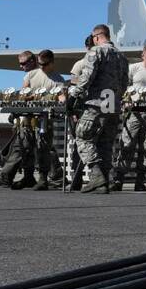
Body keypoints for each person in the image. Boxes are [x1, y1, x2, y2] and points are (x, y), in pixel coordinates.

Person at [68, 24, 128, 193]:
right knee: (105, 143)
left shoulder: (96, 51)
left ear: (96, 37)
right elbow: (124, 84)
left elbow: (87, 76)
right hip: (113, 104)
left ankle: (96, 175)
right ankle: (104, 181)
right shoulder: (122, 57)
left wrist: (75, 95)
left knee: (83, 136)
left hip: (97, 102)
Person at [113, 44, 146, 192]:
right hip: (134, 113)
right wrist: (124, 102)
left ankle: (140, 181)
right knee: (127, 144)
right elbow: (123, 87)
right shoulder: (133, 69)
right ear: (143, 55)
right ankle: (119, 178)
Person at [0, 50, 40, 189]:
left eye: (23, 63)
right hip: (36, 117)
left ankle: (6, 176)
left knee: (20, 146)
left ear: (32, 61)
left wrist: (15, 109)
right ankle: (29, 177)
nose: (21, 67)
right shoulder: (42, 73)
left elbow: (23, 96)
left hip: (30, 118)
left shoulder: (31, 75)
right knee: (29, 148)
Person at [24, 49, 66, 191]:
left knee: (44, 148)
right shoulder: (31, 74)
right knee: (26, 147)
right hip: (29, 117)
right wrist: (33, 97)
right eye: (40, 63)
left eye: (45, 64)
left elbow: (61, 98)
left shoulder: (58, 79)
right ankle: (28, 176)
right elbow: (23, 94)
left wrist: (61, 100)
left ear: (52, 63)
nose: (41, 67)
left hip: (45, 118)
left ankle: (43, 178)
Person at [65, 33, 95, 191]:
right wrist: (74, 111)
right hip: (80, 109)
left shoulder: (101, 64)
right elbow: (74, 88)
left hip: (95, 109)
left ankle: (94, 179)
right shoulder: (80, 65)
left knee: (96, 145)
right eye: (91, 47)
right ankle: (76, 179)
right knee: (79, 145)